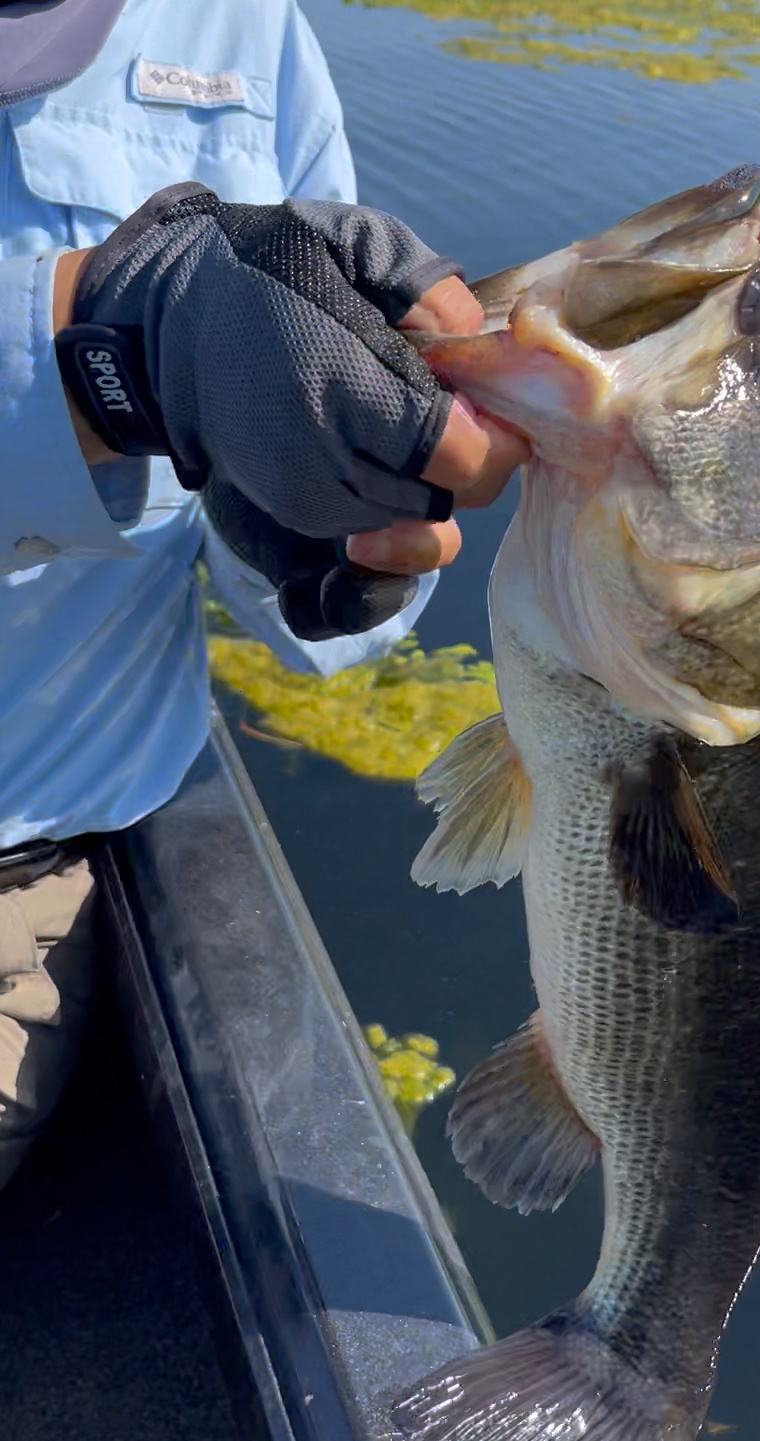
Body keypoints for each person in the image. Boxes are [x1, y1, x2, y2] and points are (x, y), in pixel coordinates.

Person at [0, 0, 529, 1188]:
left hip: (36, 873)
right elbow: (149, 337)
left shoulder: (250, 30)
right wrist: (103, 350)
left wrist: (321, 536)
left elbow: (311, 611)